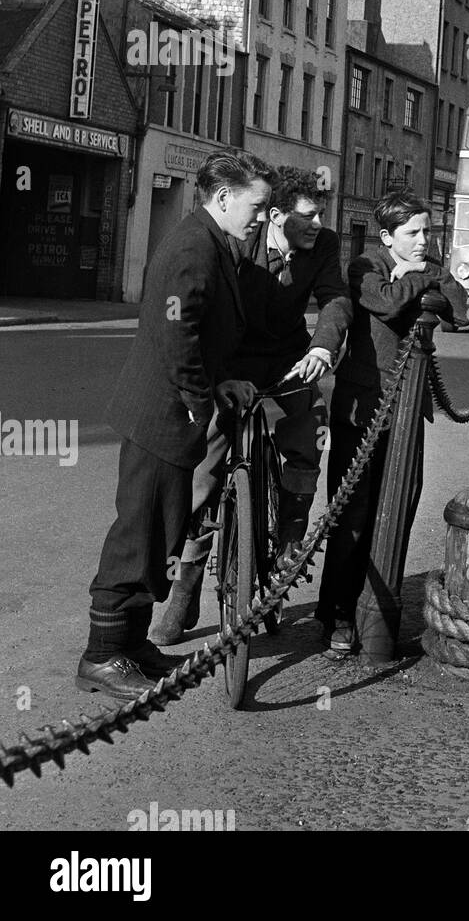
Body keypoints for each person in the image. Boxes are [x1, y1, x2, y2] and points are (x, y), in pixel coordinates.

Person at [77, 150, 275, 700]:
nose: (261, 216)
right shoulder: (194, 246)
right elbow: (177, 330)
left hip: (173, 415)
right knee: (137, 533)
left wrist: (219, 383)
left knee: (160, 530)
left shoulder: (211, 242)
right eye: (257, 205)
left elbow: (204, 329)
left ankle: (131, 643)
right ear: (225, 196)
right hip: (161, 416)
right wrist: (197, 397)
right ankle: (100, 656)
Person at [149, 166, 353, 646]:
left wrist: (322, 347)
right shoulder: (241, 238)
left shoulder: (322, 247)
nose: (318, 223)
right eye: (308, 216)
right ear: (277, 215)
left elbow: (335, 299)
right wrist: (216, 376)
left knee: (305, 448)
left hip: (289, 362)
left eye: (321, 214)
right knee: (205, 472)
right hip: (233, 362)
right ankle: (186, 587)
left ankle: (285, 555)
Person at [316, 189, 469, 655]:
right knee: (354, 519)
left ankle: (378, 610)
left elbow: (460, 307)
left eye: (428, 231)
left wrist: (418, 275)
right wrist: (421, 283)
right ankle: (338, 614)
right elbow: (384, 304)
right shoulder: (365, 265)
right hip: (362, 412)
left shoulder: (422, 264)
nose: (424, 240)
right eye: (413, 233)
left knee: (399, 509)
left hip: (406, 412)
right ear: (387, 237)